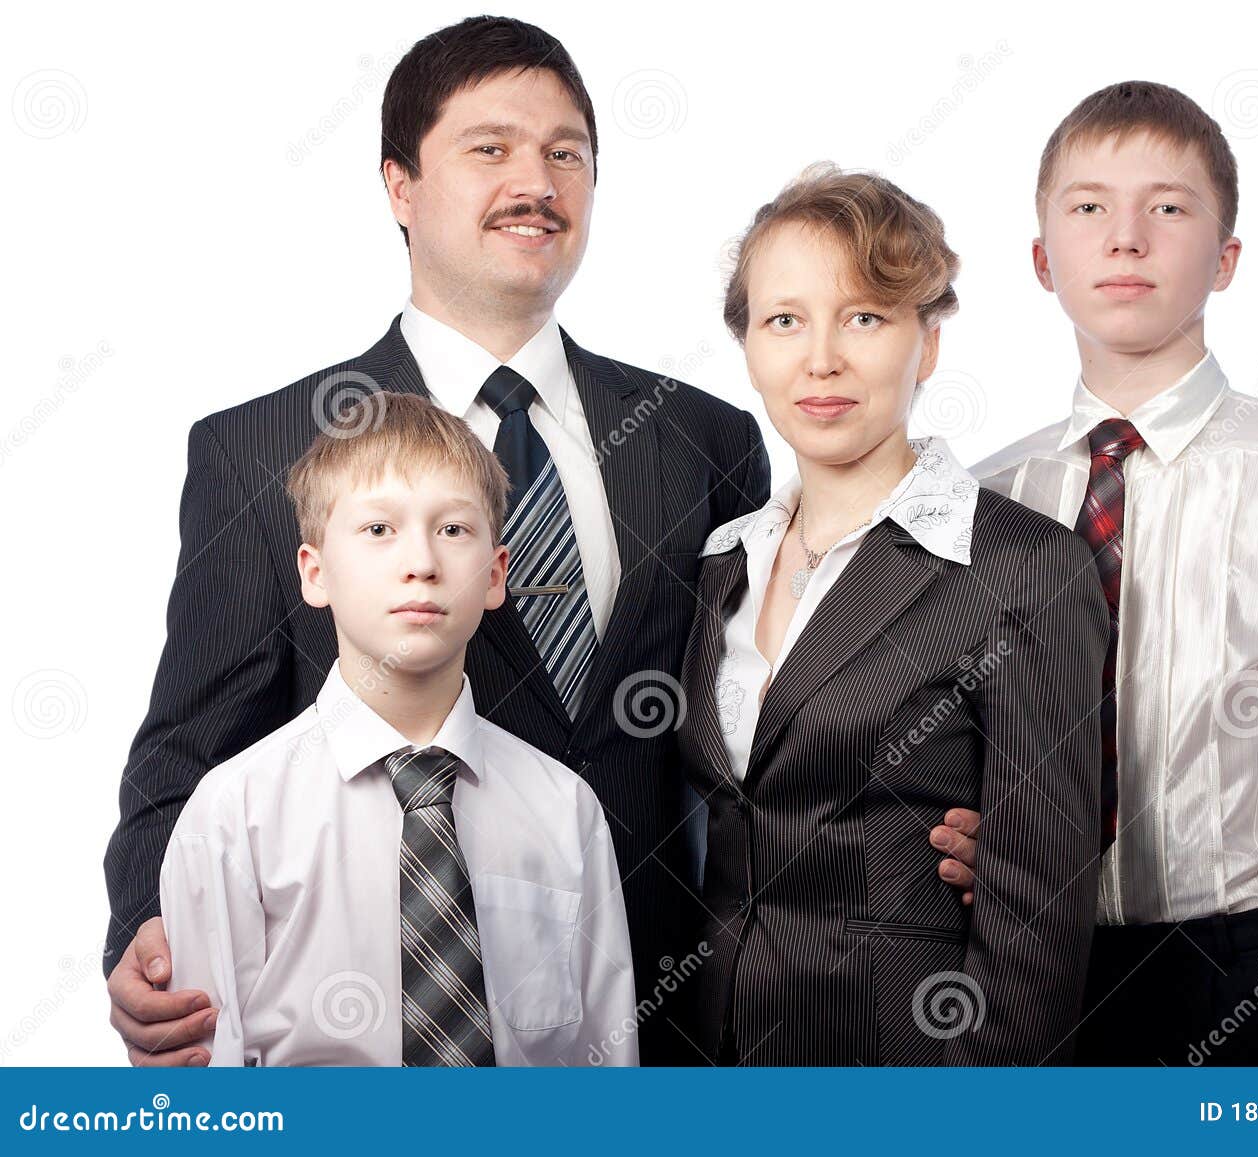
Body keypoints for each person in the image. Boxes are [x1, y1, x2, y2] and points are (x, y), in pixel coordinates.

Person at [103, 15, 975, 1067]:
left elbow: (762, 716)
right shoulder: (264, 450)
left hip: (681, 1010)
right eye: (490, 149)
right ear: (398, 188)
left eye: (567, 152)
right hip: (387, 1011)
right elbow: (184, 753)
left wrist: (932, 815)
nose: (537, 180)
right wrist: (147, 935)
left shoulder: (701, 436)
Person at [973, 80, 1258, 1066]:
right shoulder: (983, 498)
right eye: (1088, 207)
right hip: (1035, 967)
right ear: (1043, 259)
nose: (1125, 237)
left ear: (1224, 259)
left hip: (1248, 963)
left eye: (1166, 207)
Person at [678, 165, 1106, 1066]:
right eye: (783, 320)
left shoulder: (1021, 565)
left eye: (865, 316)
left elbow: (1039, 918)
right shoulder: (723, 560)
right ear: (749, 344)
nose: (820, 358)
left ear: (929, 341)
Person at [159, 392, 636, 1065]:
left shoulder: (564, 809)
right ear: (314, 571)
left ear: (496, 574)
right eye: (379, 529)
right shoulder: (235, 812)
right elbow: (205, 1084)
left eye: (453, 530)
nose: (421, 561)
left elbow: (603, 1066)